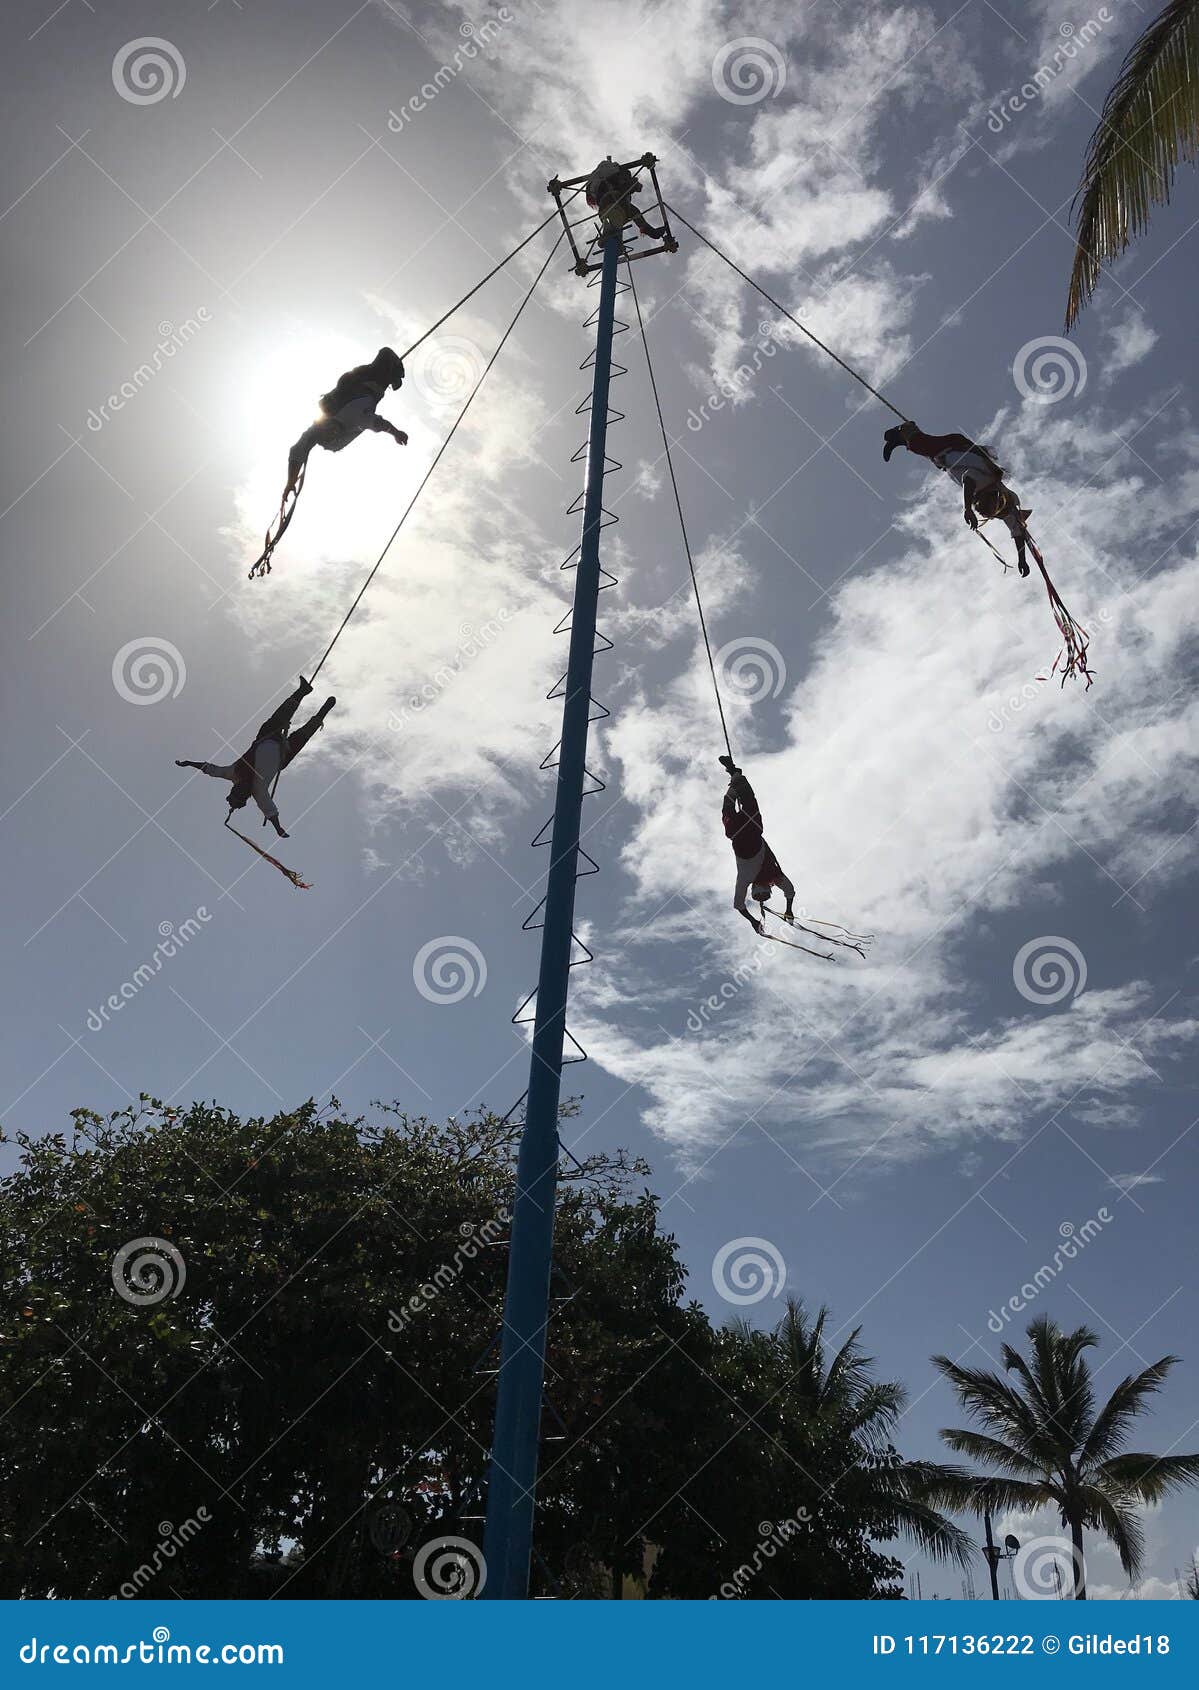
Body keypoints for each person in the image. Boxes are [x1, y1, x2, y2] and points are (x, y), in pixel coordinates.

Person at [176, 678, 335, 839]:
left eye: (237, 791)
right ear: (246, 796)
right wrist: (278, 829)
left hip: (266, 737)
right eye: (242, 794)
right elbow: (270, 811)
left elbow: (209, 769)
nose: (241, 790)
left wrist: (189, 763)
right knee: (305, 733)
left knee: (281, 714)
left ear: (234, 788)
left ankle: (302, 691)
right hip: (283, 755)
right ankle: (323, 712)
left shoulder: (232, 774)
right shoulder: (258, 792)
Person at [882, 421, 1031, 575]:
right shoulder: (983, 483)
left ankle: (899, 440)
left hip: (949, 457)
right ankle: (901, 431)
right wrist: (967, 510)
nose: (978, 511)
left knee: (923, 449)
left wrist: (1022, 559)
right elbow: (968, 480)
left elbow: (1018, 532)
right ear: (989, 501)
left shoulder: (1003, 505)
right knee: (921, 443)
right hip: (952, 447)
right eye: (981, 510)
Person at [285, 346, 409, 497]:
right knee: (378, 365)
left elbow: (297, 450)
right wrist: (396, 433)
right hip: (369, 388)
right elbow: (380, 424)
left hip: (355, 386)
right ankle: (389, 372)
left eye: (328, 430)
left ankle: (388, 370)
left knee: (375, 362)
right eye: (332, 432)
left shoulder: (318, 428)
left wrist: (290, 482)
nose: (330, 430)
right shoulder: (359, 420)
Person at [719, 755, 795, 933]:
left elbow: (739, 905)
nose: (760, 889)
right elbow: (740, 906)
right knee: (743, 797)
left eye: (757, 893)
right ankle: (735, 775)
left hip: (740, 831)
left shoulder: (759, 878)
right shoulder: (773, 876)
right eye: (763, 892)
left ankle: (735, 776)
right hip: (747, 828)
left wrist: (754, 921)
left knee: (734, 801)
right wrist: (788, 909)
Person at [585, 157, 667, 241]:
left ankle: (647, 230)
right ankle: (646, 229)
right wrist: (635, 183)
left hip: (607, 207)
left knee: (634, 212)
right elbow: (628, 186)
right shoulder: (614, 177)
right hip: (612, 200)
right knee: (633, 210)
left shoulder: (596, 179)